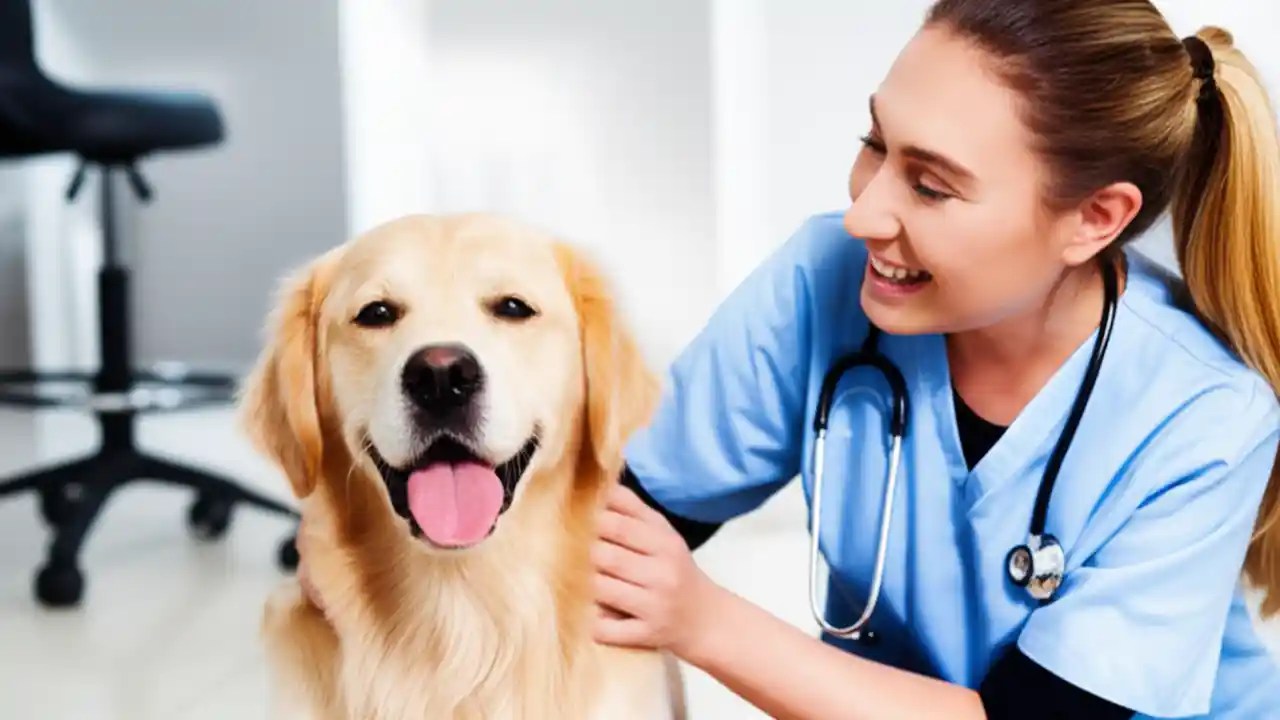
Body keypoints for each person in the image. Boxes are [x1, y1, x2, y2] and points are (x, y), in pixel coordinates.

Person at [590, 1, 1280, 719]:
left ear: (1094, 219)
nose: (862, 215)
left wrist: (704, 620)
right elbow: (618, 528)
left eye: (930, 185)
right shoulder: (822, 278)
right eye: (875, 142)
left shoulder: (1205, 415)